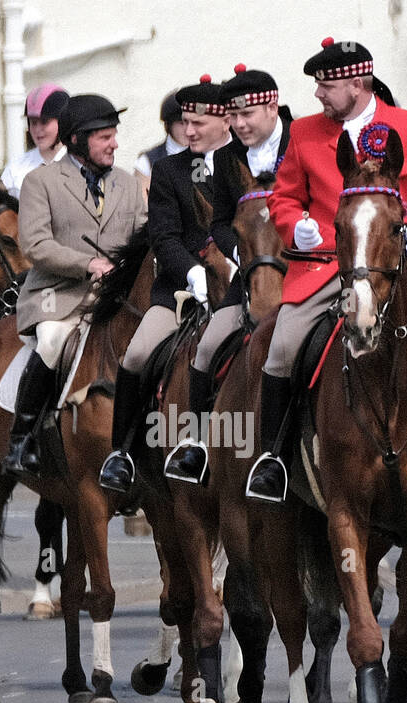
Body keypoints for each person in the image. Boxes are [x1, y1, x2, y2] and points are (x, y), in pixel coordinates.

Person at [244, 37, 407, 503]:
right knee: (280, 350)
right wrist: (294, 225)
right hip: (323, 268)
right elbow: (283, 197)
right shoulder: (303, 134)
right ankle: (274, 461)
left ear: (357, 82)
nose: (318, 95)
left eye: (327, 85)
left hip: (396, 269)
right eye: (318, 85)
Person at [98, 75, 231, 492]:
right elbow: (165, 237)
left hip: (244, 285)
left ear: (225, 119)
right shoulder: (169, 170)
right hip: (179, 291)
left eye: (197, 124)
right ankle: (122, 454)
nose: (187, 131)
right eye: (184, 123)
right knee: (136, 355)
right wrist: (194, 274)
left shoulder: (246, 163)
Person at [1, 94, 146, 476]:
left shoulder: (129, 186)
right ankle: (23, 436)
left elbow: (144, 238)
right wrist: (87, 264)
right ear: (78, 140)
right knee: (51, 341)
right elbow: (35, 244)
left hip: (116, 297)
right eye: (104, 137)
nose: (114, 143)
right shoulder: (41, 181)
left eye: (114, 135)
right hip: (58, 295)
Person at [165, 64, 291, 484]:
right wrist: (240, 250)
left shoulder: (303, 140)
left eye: (245, 116)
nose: (237, 125)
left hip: (305, 265)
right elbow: (219, 222)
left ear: (271, 108)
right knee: (208, 346)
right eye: (232, 117)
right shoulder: (225, 157)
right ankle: (199, 443)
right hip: (252, 268)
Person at [0, 84, 70, 200]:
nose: (37, 130)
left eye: (44, 122)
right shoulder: (15, 168)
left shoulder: (78, 164)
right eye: (33, 122)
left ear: (62, 122)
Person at [134, 90, 187, 199]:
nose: (188, 129)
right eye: (182, 123)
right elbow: (141, 206)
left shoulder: (208, 154)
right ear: (168, 125)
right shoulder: (147, 162)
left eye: (193, 122)